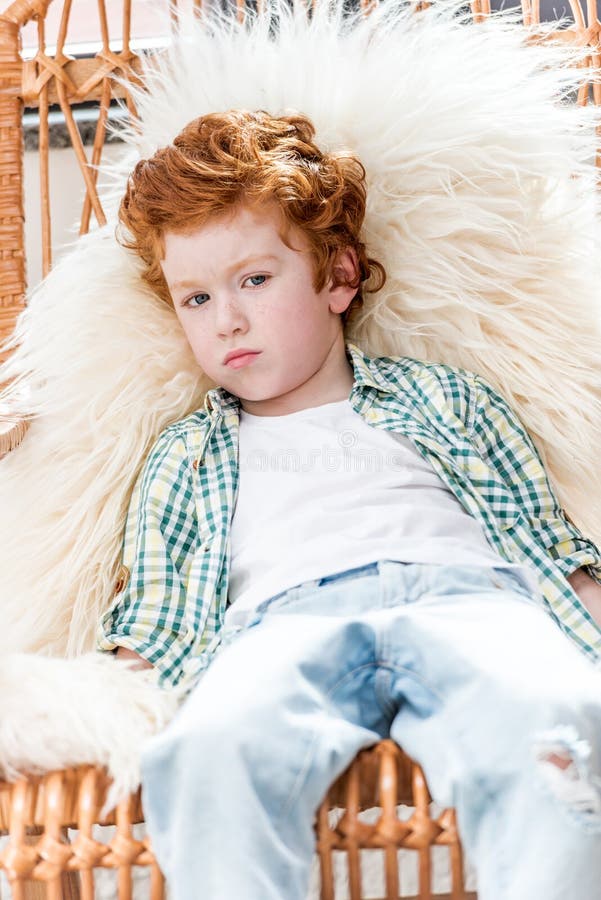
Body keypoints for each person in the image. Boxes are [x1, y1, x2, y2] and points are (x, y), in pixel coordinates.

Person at [98, 109, 601, 899]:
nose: (225, 318)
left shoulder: (447, 397)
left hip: (467, 602)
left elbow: (546, 547)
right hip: (280, 623)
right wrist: (87, 707)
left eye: (254, 280)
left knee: (563, 724)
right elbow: (156, 623)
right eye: (194, 298)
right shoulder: (183, 454)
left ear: (338, 277)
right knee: (205, 754)